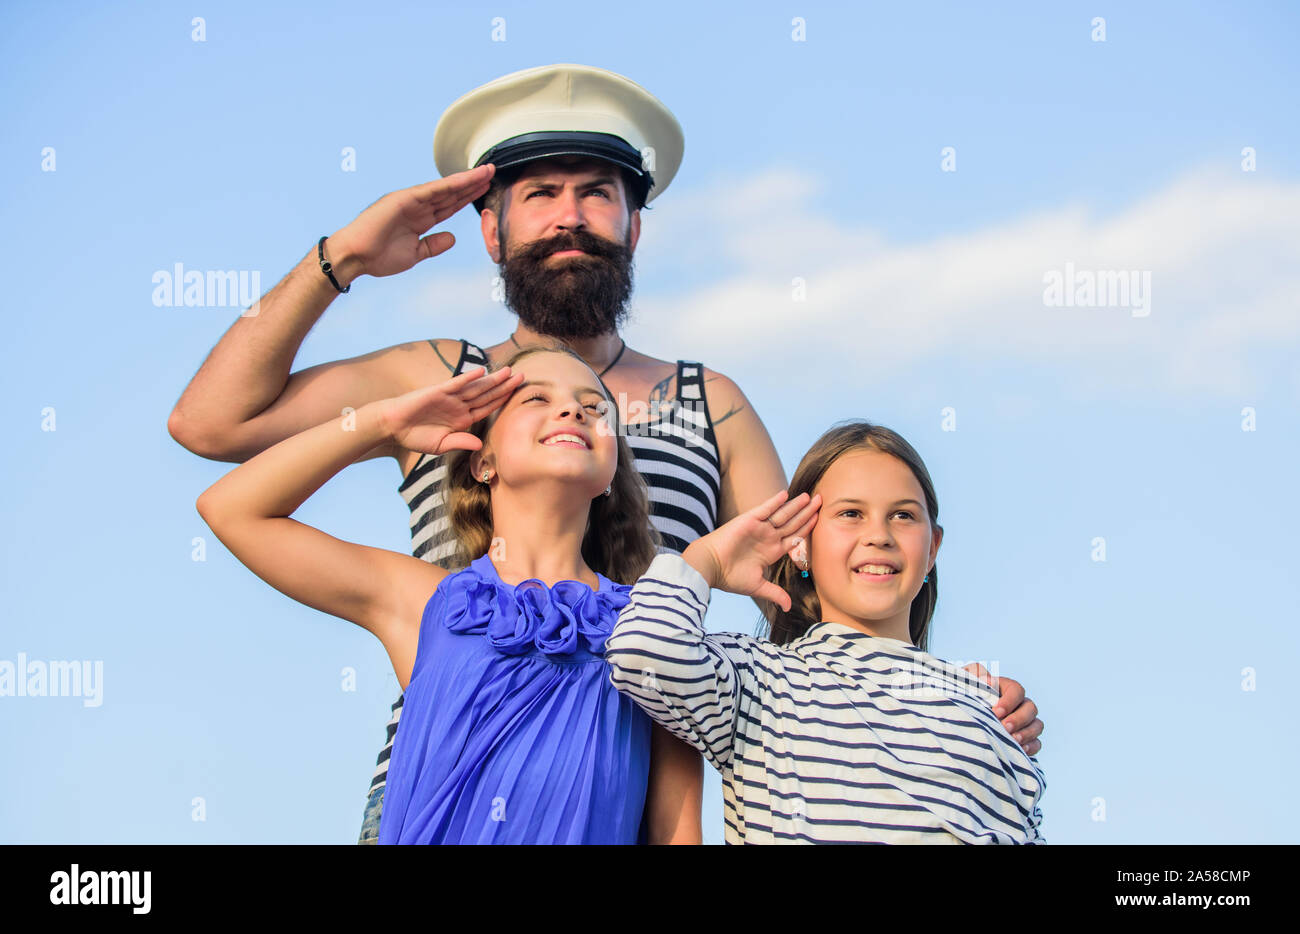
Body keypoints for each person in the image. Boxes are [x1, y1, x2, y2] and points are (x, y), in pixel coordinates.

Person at [167, 64, 1043, 844]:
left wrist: (946, 701)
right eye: (541, 194)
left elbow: (811, 596)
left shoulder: (712, 401)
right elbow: (210, 426)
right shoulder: (439, 381)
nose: (570, 217)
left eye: (596, 193)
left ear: (633, 226)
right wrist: (344, 259)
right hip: (441, 781)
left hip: (633, 782)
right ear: (490, 227)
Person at [196, 343, 706, 842]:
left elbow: (676, 830)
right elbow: (231, 509)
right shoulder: (428, 602)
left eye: (595, 408)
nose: (573, 409)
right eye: (536, 399)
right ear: (484, 462)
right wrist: (382, 423)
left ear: (611, 473)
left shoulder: (652, 627)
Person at [605, 421, 1046, 843]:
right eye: (851, 513)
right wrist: (708, 560)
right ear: (800, 543)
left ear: (932, 549)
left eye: (903, 515)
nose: (879, 535)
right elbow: (643, 650)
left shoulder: (985, 705)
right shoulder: (758, 681)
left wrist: (977, 698)